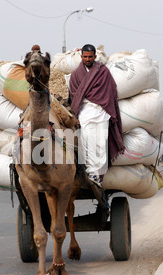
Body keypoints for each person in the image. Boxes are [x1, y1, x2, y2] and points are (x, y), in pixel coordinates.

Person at [68, 44, 125, 188]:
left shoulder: (103, 72)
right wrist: (75, 116)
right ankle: (89, 173)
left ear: (95, 56)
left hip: (101, 112)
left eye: (90, 56)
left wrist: (108, 110)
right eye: (85, 57)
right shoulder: (76, 75)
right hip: (85, 113)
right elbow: (74, 96)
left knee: (100, 144)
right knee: (86, 143)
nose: (87, 59)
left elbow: (111, 91)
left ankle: (98, 175)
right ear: (81, 57)